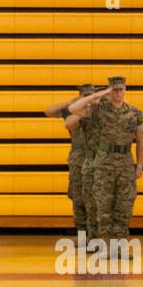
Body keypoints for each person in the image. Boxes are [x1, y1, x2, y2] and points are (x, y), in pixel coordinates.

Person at [69, 76, 143, 243]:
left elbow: (140, 140)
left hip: (125, 162)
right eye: (114, 90)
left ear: (125, 90)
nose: (118, 93)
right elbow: (73, 108)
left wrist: (139, 164)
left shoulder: (135, 113)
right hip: (104, 163)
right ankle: (104, 245)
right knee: (103, 206)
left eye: (120, 89)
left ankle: (121, 245)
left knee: (124, 206)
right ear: (110, 92)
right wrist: (99, 94)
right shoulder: (98, 111)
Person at [47, 84, 97, 237]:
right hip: (77, 159)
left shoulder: (98, 111)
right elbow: (48, 111)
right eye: (85, 95)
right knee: (77, 198)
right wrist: (70, 103)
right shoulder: (72, 110)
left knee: (94, 198)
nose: (88, 98)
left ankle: (95, 237)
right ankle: (82, 237)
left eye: (90, 95)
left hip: (96, 159)